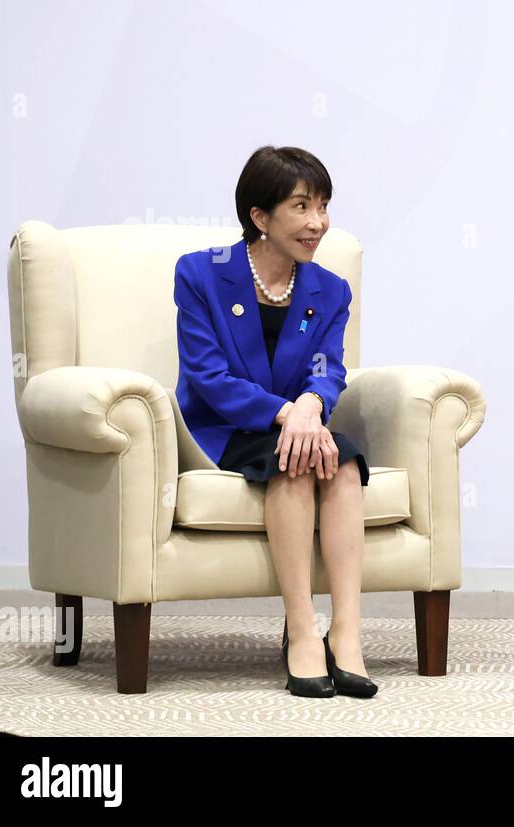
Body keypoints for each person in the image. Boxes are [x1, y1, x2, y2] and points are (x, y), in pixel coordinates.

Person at [174, 145, 377, 699]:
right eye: (302, 206)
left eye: (324, 206)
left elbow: (328, 368)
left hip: (299, 423)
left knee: (344, 460)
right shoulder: (201, 274)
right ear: (259, 218)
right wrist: (287, 412)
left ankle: (348, 632)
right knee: (292, 461)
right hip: (225, 427)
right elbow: (207, 376)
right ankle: (302, 633)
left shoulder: (330, 289)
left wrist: (312, 405)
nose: (318, 223)